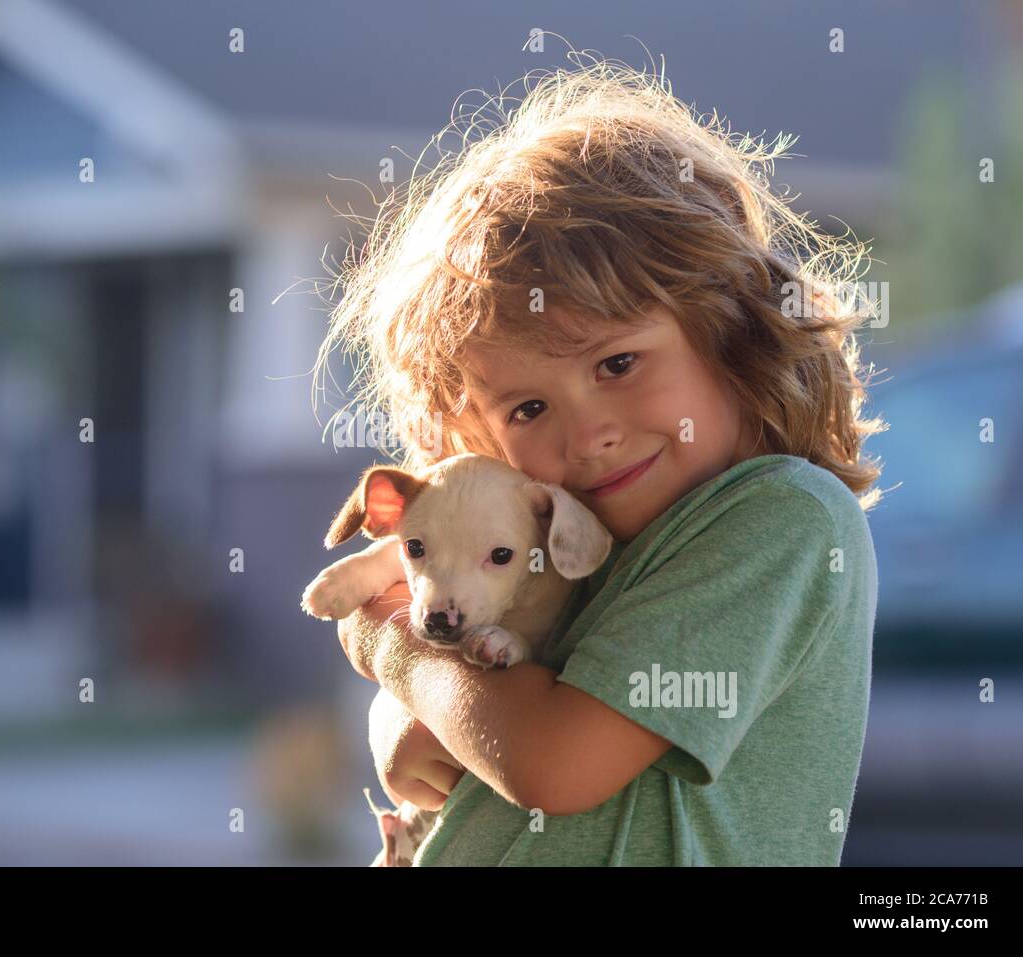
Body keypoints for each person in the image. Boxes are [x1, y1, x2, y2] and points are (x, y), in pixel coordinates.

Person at [311, 50, 883, 865]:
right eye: (530, 407)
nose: (587, 436)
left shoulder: (779, 518)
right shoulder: (559, 545)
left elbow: (552, 762)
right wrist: (412, 708)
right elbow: (440, 738)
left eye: (618, 364)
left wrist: (389, 641)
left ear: (729, 328)